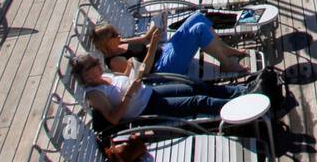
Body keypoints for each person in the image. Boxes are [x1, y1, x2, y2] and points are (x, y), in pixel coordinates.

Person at [71, 54, 235, 128]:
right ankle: (239, 108)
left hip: (150, 92)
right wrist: (129, 94)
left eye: (91, 68)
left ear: (97, 66)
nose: (90, 75)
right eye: (85, 74)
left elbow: (127, 78)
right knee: (198, 101)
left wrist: (134, 67)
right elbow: (114, 119)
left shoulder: (106, 75)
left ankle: (242, 90)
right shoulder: (94, 94)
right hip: (147, 110)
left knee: (195, 86)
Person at [92, 17, 249, 76]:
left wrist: (158, 22)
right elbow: (142, 74)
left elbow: (146, 39)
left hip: (164, 51)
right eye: (113, 34)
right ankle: (227, 64)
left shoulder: (120, 42)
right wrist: (153, 46)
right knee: (199, 29)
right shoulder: (115, 62)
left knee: (197, 17)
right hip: (163, 68)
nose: (118, 34)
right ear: (105, 43)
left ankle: (226, 50)